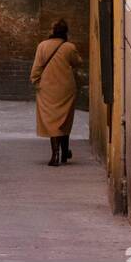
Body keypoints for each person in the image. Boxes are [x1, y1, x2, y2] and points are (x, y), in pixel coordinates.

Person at [30, 19, 81, 165]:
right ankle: (65, 153)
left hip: (47, 89)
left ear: (52, 31)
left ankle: (55, 154)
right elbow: (78, 62)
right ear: (65, 32)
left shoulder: (42, 46)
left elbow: (36, 69)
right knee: (65, 120)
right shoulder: (69, 47)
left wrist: (36, 81)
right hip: (66, 88)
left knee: (51, 120)